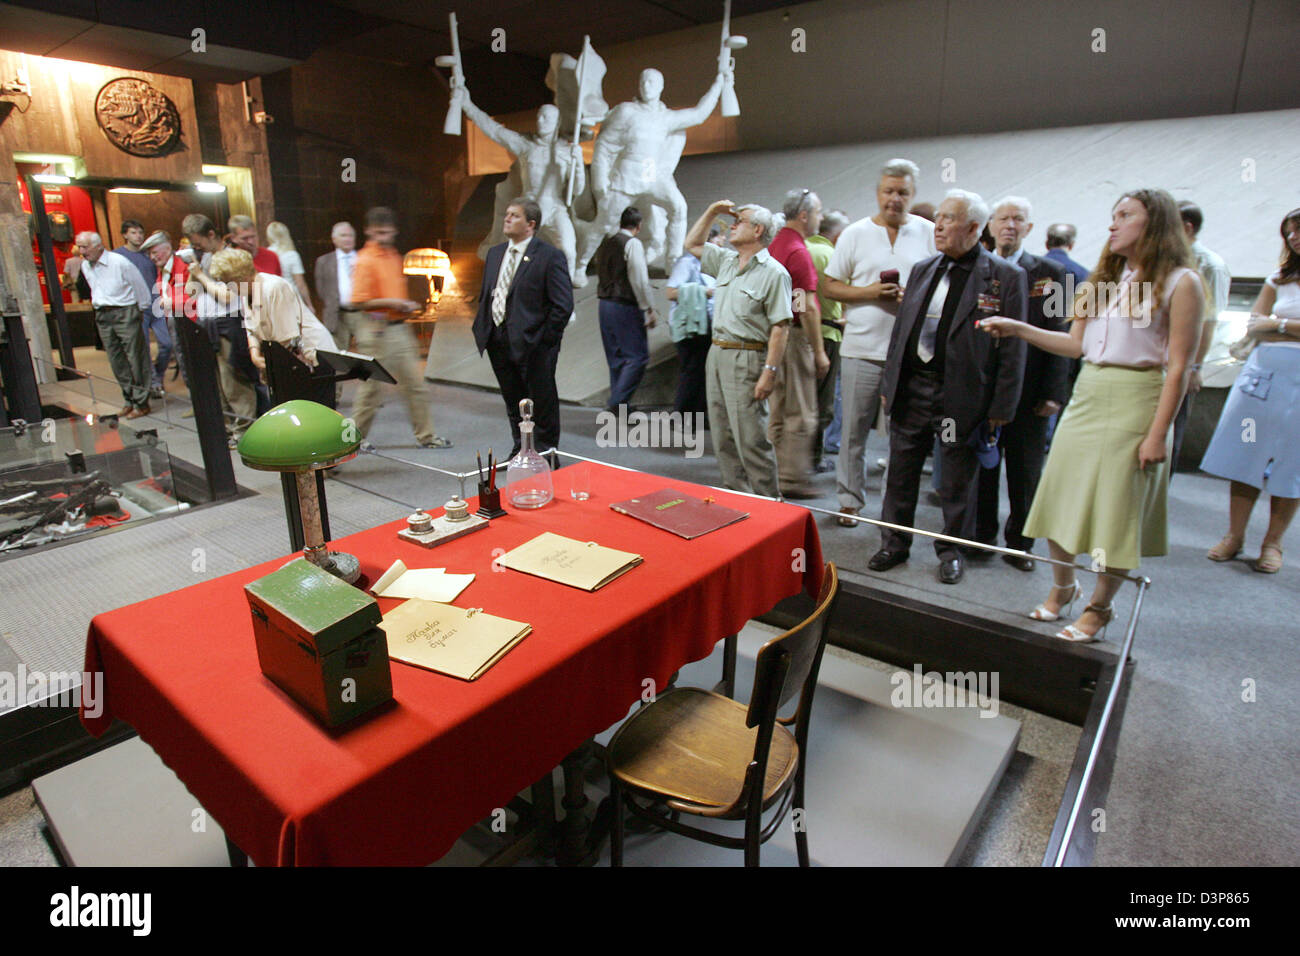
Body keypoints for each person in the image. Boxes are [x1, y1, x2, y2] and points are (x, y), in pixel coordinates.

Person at [980, 188, 1203, 640]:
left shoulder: (1183, 282)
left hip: (1139, 397)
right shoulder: (1104, 279)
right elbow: (1076, 346)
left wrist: (1159, 435)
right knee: (1058, 497)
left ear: (1154, 223)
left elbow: (1179, 366)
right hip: (1089, 393)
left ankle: (1099, 608)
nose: (1112, 224)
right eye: (1113, 215)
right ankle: (1063, 587)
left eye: (1125, 216)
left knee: (1115, 512)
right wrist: (1020, 328)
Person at [871, 190, 1028, 585]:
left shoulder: (1005, 277)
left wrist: (1001, 408)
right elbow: (902, 332)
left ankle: (951, 549)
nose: (938, 226)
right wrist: (890, 383)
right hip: (913, 390)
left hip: (961, 397)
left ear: (974, 227)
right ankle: (894, 543)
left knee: (957, 480)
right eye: (937, 217)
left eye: (948, 219)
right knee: (901, 473)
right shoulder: (924, 268)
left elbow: (1013, 349)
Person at [821, 159, 936, 526]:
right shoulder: (855, 233)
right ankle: (849, 500)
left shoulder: (930, 233)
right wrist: (870, 291)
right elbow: (830, 286)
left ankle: (893, 505)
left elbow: (941, 289)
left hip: (912, 354)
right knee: (853, 430)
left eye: (902, 192)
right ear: (878, 193)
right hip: (861, 349)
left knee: (902, 435)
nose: (894, 199)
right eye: (888, 191)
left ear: (912, 195)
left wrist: (913, 299)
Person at [1199, 207, 1300, 574]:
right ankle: (1234, 535)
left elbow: (1269, 324)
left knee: (1292, 465)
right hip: (1263, 375)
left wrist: (1278, 325)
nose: (1293, 238)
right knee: (1246, 456)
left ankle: (1273, 543)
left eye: (1298, 230)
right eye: (1288, 233)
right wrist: (1281, 327)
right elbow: (1255, 324)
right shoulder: (1278, 278)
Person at [974, 197, 1071, 570]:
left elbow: (1060, 331)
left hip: (1032, 389)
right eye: (1003, 219)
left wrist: (1054, 392)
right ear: (991, 225)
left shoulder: (1052, 273)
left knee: (1025, 470)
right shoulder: (980, 268)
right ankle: (980, 538)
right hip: (985, 386)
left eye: (1018, 220)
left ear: (1030, 229)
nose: (1010, 225)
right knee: (983, 467)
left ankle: (1020, 544)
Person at [685, 199, 792, 498]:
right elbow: (692, 244)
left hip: (748, 357)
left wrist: (769, 372)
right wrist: (710, 211)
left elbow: (781, 327)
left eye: (739, 221)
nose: (731, 225)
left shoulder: (775, 273)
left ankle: (770, 505)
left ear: (757, 229)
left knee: (751, 439)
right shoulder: (727, 261)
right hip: (717, 353)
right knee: (722, 437)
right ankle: (737, 498)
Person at [575, 66, 727, 277]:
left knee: (679, 208)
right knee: (604, 222)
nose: (647, 87)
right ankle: (580, 265)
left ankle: (673, 263)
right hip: (627, 179)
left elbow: (699, 115)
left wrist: (719, 83)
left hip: (654, 178)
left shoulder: (666, 117)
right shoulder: (626, 111)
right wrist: (600, 183)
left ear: (661, 87)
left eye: (652, 83)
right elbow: (604, 146)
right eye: (644, 82)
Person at [472, 197, 574, 457]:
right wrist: (483, 327)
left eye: (514, 216)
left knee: (541, 401)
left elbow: (562, 305)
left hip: (534, 344)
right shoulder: (495, 253)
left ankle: (546, 453)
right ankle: (521, 448)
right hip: (497, 339)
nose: (507, 219)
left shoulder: (549, 256)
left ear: (531, 224)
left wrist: (545, 341)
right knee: (513, 400)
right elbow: (489, 293)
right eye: (507, 214)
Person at [454, 88, 585, 284]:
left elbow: (577, 190)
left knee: (567, 250)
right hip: (529, 207)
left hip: (556, 208)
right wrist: (468, 105)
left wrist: (579, 164)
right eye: (539, 117)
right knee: (515, 255)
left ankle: (563, 301)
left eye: (547, 118)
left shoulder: (567, 151)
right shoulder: (526, 145)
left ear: (557, 123)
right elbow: (494, 130)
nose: (541, 121)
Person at [349, 207, 451, 449]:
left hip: (398, 328)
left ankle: (427, 436)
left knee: (415, 385)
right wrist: (394, 303)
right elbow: (360, 301)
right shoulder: (365, 260)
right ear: (368, 231)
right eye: (377, 233)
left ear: (393, 231)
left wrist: (403, 306)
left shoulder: (394, 256)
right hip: (375, 329)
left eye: (385, 232)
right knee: (371, 391)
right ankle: (352, 442)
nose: (381, 238)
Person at [205, 248, 338, 409]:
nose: (227, 288)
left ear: (242, 277)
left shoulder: (273, 287)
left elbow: (288, 337)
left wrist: (269, 366)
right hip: (285, 360)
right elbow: (251, 327)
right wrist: (255, 354)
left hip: (312, 358)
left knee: (315, 418)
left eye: (228, 282)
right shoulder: (245, 290)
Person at [767, 188, 829, 497]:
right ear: (804, 216)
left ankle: (775, 473)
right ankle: (792, 479)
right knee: (802, 410)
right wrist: (818, 351)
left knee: (777, 408)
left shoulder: (774, 245)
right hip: (793, 337)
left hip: (770, 336)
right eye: (818, 212)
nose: (821, 217)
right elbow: (805, 306)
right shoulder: (798, 252)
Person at [183, 213, 263, 441]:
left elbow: (228, 296)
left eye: (199, 243)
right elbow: (190, 293)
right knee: (217, 382)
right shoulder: (204, 259)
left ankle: (246, 429)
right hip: (208, 324)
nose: (197, 247)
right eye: (193, 245)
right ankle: (228, 426)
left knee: (234, 381)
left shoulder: (231, 257)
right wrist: (194, 272)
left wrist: (201, 275)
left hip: (229, 322)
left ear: (211, 234)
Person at [1172, 200, 1231, 472]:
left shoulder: (1210, 265)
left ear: (1187, 227)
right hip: (1155, 356)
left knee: (1171, 429)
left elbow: (1209, 319)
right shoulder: (1163, 259)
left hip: (1182, 360)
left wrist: (1194, 367)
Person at [74, 231, 154, 418]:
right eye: (79, 246)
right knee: (116, 360)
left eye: (85, 247)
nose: (82, 251)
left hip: (125, 311)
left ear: (98, 246)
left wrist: (140, 311)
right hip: (103, 314)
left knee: (136, 358)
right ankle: (129, 399)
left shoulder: (119, 262)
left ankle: (142, 402)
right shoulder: (86, 265)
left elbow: (140, 287)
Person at [595, 206, 658, 410]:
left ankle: (621, 406)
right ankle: (617, 402)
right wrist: (649, 308)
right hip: (624, 305)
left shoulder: (606, 244)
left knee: (616, 359)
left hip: (604, 305)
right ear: (638, 226)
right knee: (637, 357)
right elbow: (639, 279)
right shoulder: (632, 244)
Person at [114, 219, 169, 400]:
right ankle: (153, 383)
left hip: (156, 302)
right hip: (136, 306)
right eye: (133, 233)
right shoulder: (119, 257)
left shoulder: (149, 255)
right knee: (143, 347)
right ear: (125, 235)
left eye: (140, 233)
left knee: (168, 343)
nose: (138, 236)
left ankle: (158, 374)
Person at [665, 236, 715, 416]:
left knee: (702, 372)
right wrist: (703, 291)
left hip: (706, 325)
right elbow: (670, 292)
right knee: (691, 371)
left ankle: (698, 415)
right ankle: (680, 415)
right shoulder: (687, 262)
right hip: (689, 326)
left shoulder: (712, 264)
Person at [140, 230, 191, 387]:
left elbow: (193, 296)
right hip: (175, 321)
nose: (152, 257)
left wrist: (171, 303)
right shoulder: (163, 270)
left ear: (168, 249)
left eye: (155, 252)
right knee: (185, 364)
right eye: (150, 254)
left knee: (191, 364)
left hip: (189, 323)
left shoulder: (182, 266)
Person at [313, 221, 357, 350]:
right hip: (337, 315)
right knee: (340, 356)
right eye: (343, 235)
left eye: (350, 235)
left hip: (362, 314)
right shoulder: (323, 261)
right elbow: (321, 290)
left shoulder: (363, 259)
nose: (348, 239)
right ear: (334, 239)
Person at [266, 221, 313, 305]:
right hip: (291, 298)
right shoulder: (292, 255)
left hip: (273, 299)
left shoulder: (266, 254)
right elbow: (300, 284)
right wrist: (309, 304)